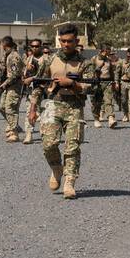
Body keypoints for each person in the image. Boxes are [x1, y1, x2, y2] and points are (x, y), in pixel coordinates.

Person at [27, 23, 89, 199]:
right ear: (59, 41)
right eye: (63, 41)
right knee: (48, 144)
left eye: (70, 41)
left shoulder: (85, 62)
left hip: (74, 106)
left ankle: (69, 182)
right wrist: (33, 109)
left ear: (76, 41)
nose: (66, 45)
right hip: (53, 104)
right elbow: (38, 85)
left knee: (72, 146)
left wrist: (73, 84)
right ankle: (56, 168)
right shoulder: (48, 60)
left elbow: (92, 87)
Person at [20, 37, 49, 144]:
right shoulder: (29, 58)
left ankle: (44, 131)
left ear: (41, 46)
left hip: (43, 89)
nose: (34, 48)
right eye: (32, 46)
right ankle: (29, 133)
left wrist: (32, 78)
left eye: (37, 46)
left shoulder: (46, 59)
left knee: (43, 112)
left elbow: (45, 76)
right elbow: (24, 73)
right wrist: (26, 73)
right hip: (31, 89)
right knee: (29, 110)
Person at [0, 35, 23, 142]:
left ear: (4, 45)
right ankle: (14, 125)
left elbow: (14, 74)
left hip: (14, 86)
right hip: (7, 86)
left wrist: (4, 84)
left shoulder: (14, 56)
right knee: (2, 107)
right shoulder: (6, 55)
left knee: (10, 108)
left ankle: (14, 133)